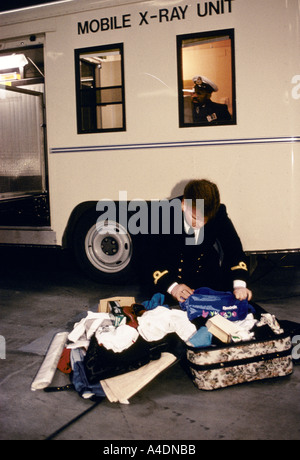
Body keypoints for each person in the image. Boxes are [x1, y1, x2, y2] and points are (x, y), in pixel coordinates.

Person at [150, 179, 252, 304]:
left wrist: (239, 285)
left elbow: (234, 249)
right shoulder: (162, 214)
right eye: (194, 218)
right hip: (169, 279)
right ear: (183, 204)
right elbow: (149, 259)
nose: (200, 224)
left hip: (206, 280)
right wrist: (173, 287)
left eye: (206, 220)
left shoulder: (218, 212)